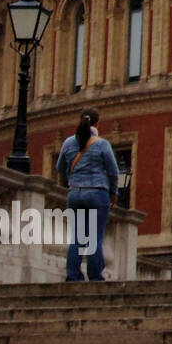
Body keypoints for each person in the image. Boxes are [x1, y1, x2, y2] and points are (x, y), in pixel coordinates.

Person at [55, 107, 119, 283]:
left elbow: (59, 167)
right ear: (97, 123)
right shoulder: (102, 144)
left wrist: (73, 174)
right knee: (95, 237)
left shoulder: (68, 143)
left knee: (76, 237)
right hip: (97, 193)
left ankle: (73, 275)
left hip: (75, 193)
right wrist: (114, 192)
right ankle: (95, 276)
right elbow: (113, 172)